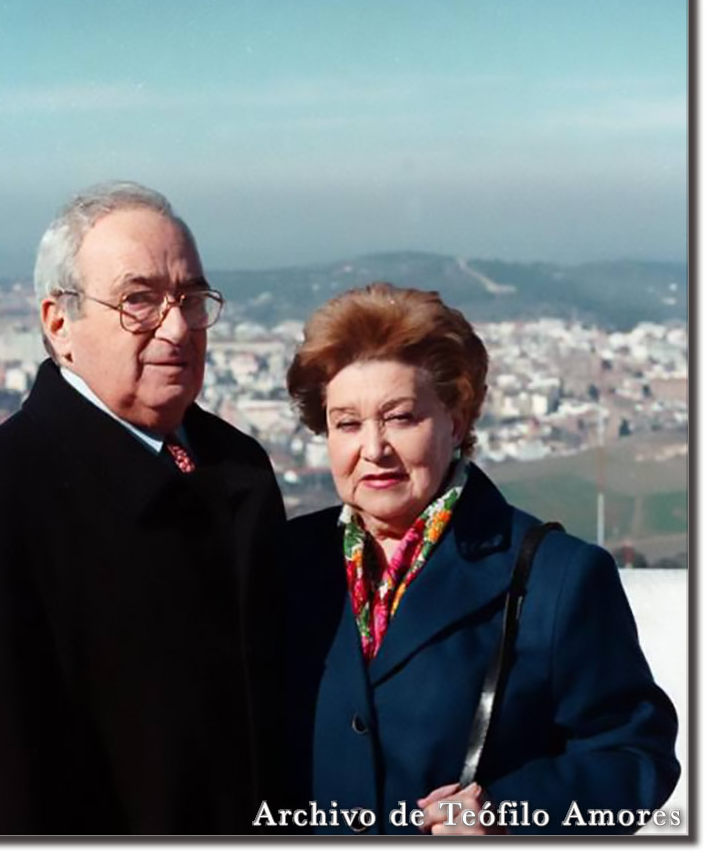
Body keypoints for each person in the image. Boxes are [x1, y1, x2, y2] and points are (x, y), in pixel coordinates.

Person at [0, 182, 286, 834]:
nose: (176, 328)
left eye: (191, 299)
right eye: (139, 300)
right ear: (60, 325)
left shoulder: (239, 469)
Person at [282, 283, 679, 835]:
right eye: (347, 423)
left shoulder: (556, 576)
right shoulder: (288, 561)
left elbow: (634, 758)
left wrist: (507, 812)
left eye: (399, 417)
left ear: (457, 419)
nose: (373, 448)